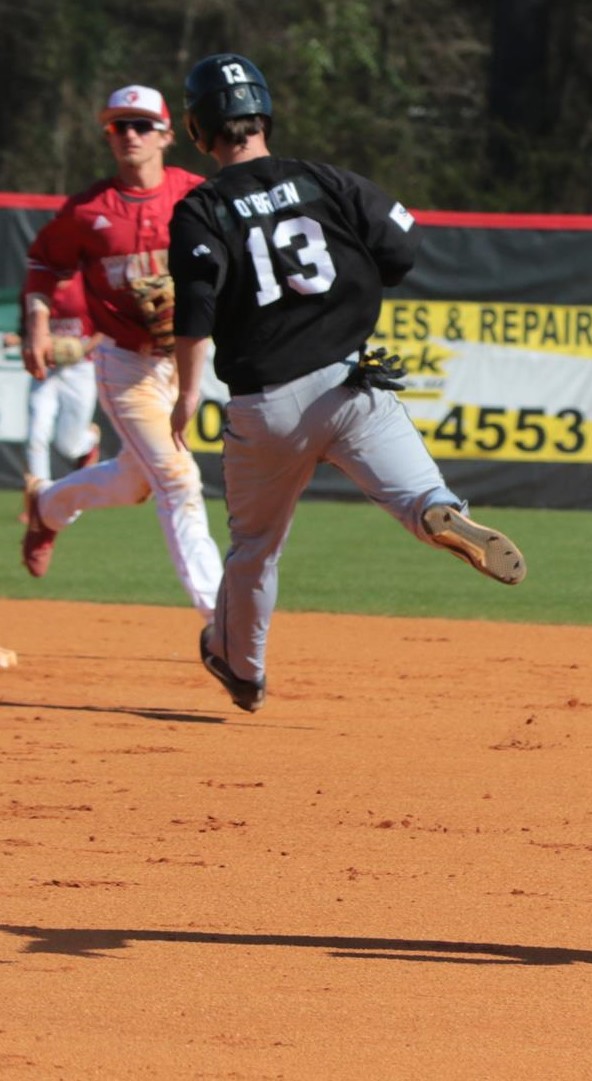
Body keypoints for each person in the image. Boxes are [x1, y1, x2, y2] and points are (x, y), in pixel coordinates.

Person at [168, 52, 526, 713]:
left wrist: (186, 394)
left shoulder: (201, 207)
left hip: (268, 404)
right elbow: (402, 247)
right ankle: (439, 511)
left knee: (255, 548)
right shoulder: (321, 178)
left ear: (198, 127)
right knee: (417, 493)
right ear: (263, 112)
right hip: (349, 384)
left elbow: (193, 306)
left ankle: (241, 668)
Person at [19, 85, 223, 620]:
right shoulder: (90, 210)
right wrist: (38, 322)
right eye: (118, 126)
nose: (129, 134)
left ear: (166, 134)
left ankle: (47, 505)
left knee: (135, 482)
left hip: (184, 359)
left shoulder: (196, 193)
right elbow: (44, 265)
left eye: (140, 124)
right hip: (125, 365)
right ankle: (224, 621)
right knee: (179, 479)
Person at [22, 275, 104, 483]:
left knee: (69, 446)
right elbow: (28, 328)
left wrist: (82, 349)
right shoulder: (36, 285)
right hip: (47, 368)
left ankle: (89, 441)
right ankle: (39, 500)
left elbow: (106, 327)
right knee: (36, 434)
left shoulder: (87, 281)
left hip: (80, 367)